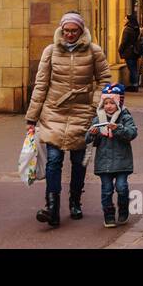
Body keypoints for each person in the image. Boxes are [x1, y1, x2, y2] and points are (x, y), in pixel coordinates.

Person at [25, 12, 110, 228]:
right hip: (54, 112)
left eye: (73, 30)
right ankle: (52, 207)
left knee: (79, 162)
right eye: (66, 30)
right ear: (61, 30)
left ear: (81, 31)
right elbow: (41, 84)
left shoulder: (94, 51)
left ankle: (75, 201)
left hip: (82, 113)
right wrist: (32, 117)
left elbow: (104, 80)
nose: (69, 34)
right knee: (54, 160)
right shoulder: (50, 51)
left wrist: (94, 106)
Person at [86, 83, 138, 228]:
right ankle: (108, 214)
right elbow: (88, 140)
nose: (108, 106)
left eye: (112, 103)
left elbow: (132, 133)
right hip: (104, 162)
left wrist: (118, 129)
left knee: (121, 187)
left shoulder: (125, 116)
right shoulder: (98, 118)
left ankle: (123, 209)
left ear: (118, 103)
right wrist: (92, 134)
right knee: (106, 190)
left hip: (122, 161)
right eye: (106, 103)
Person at [118, 14, 143, 93]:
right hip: (134, 51)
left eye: (125, 19)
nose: (124, 20)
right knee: (134, 68)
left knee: (132, 69)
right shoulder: (135, 28)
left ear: (128, 20)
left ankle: (134, 85)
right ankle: (134, 84)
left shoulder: (127, 29)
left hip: (129, 51)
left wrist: (120, 50)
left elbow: (124, 41)